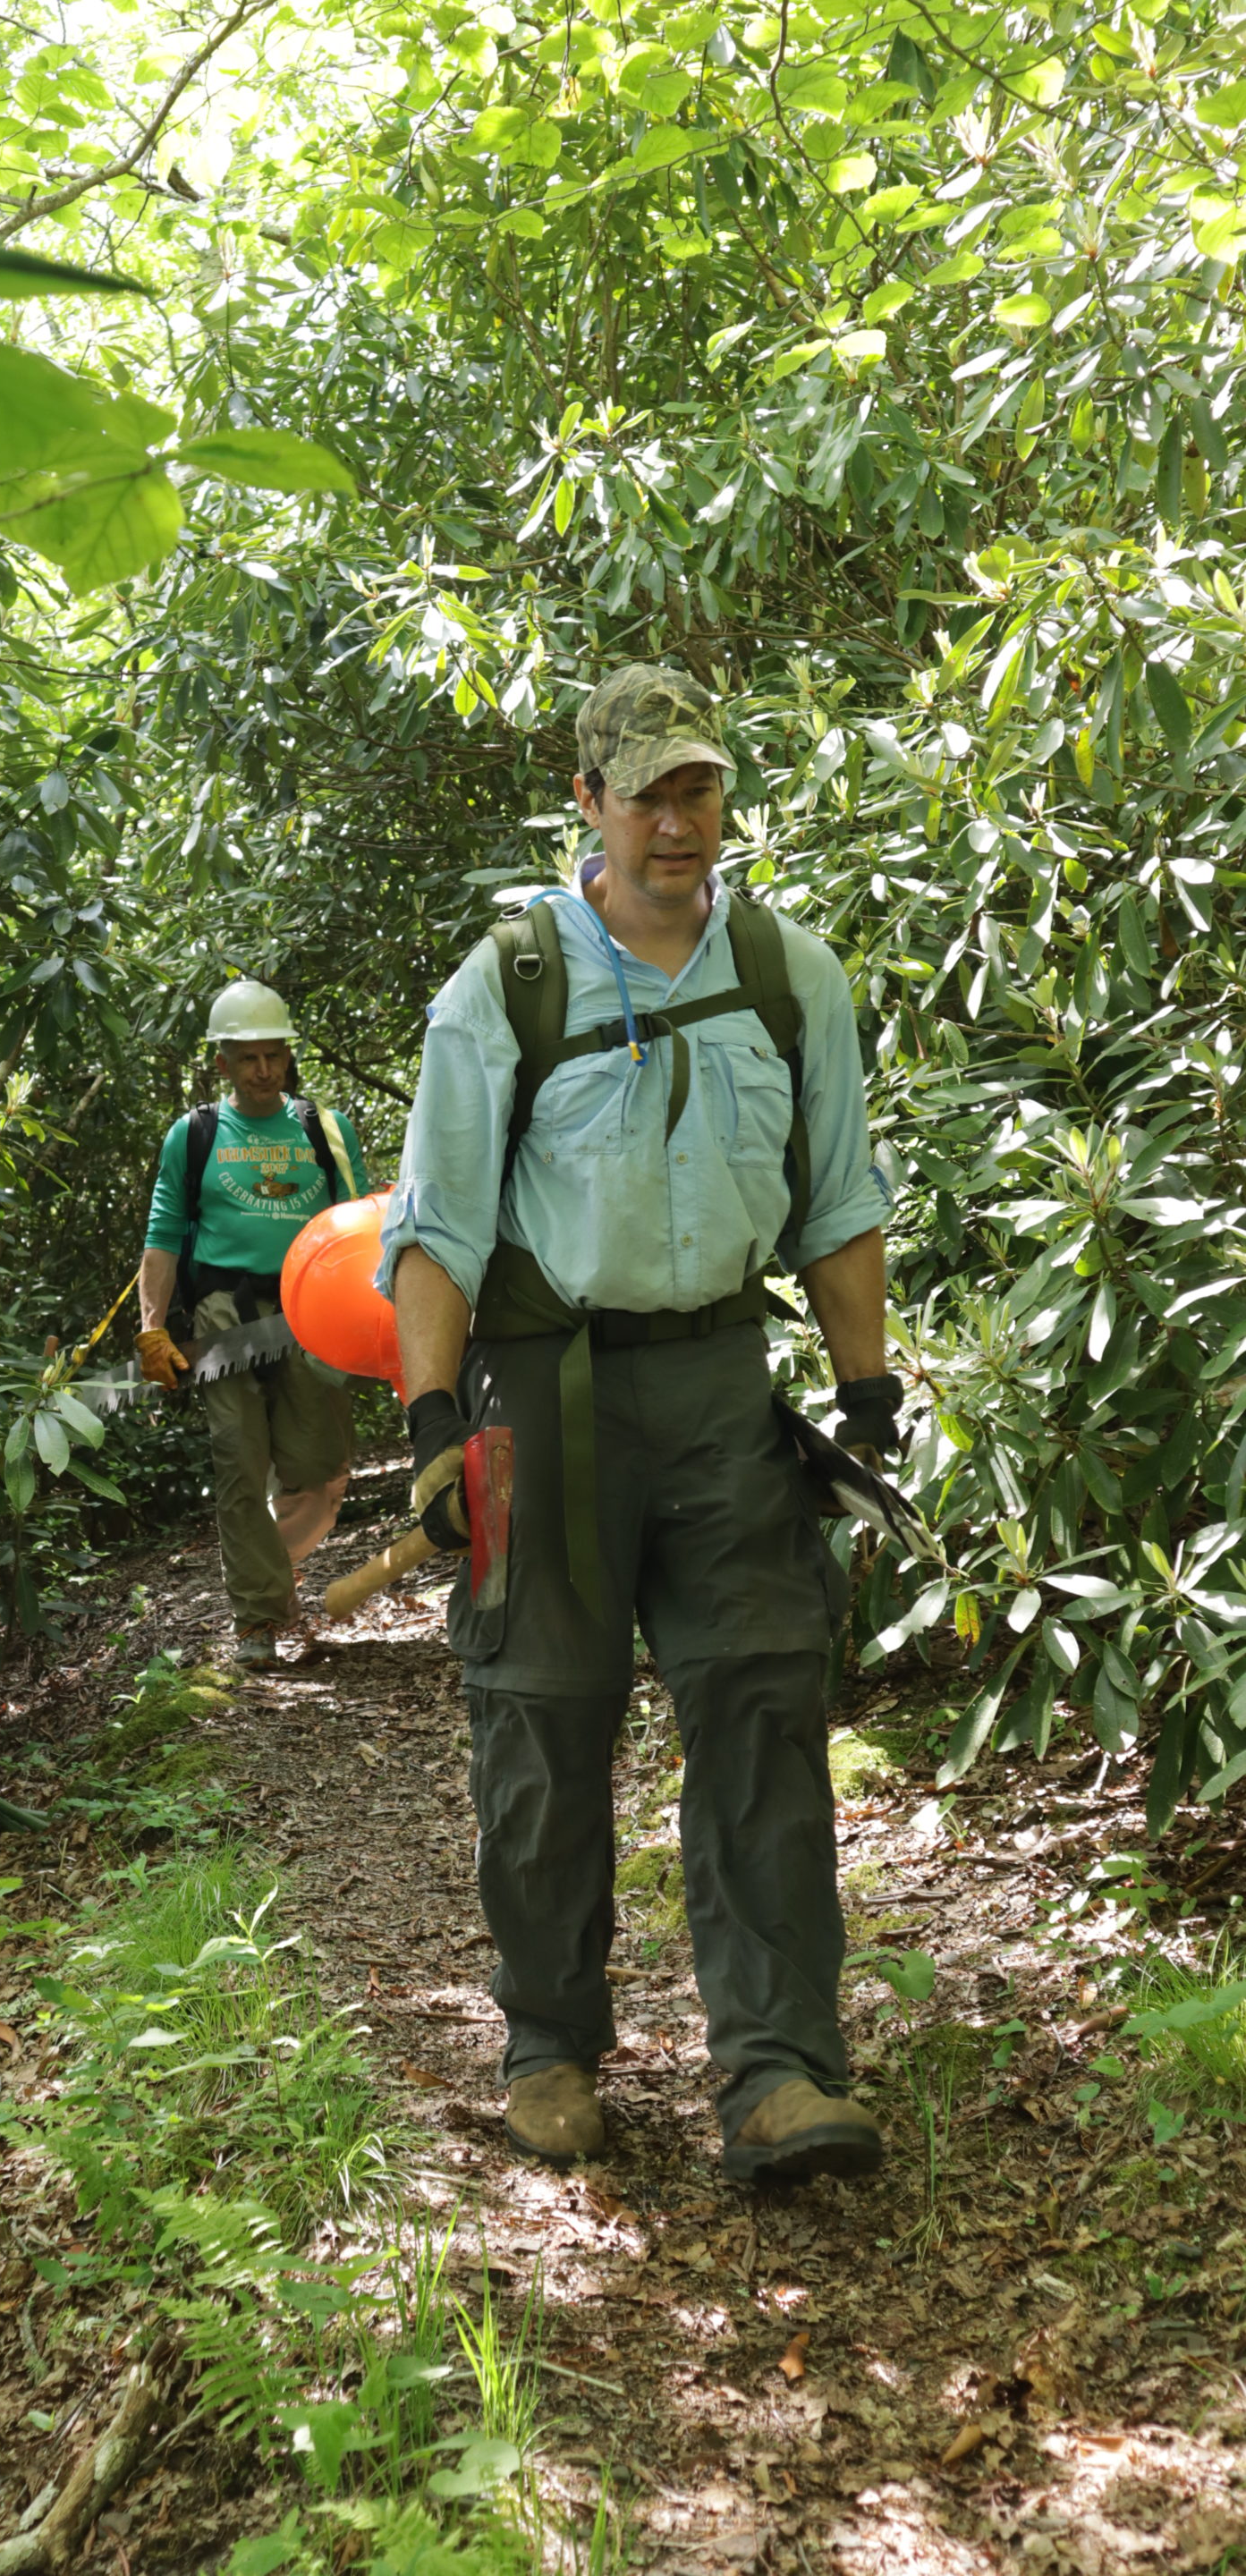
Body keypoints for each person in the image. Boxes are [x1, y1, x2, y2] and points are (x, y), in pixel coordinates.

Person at [377, 663, 902, 2183]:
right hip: (544, 1398)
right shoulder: (506, 984)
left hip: (724, 1384)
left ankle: (781, 2073)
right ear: (588, 808)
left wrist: (866, 1398)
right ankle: (550, 2047)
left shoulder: (790, 972)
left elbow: (843, 1205)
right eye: (649, 795)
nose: (680, 824)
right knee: (540, 1721)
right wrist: (430, 1426)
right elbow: (437, 1229)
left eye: (701, 791)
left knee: (759, 1706)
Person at [138, 980, 369, 1669]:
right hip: (223, 1315)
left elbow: (364, 1227)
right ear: (223, 1064)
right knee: (238, 1460)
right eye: (249, 1058)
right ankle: (259, 1621)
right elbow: (162, 1236)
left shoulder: (323, 1130)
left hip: (314, 1314)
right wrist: (154, 1327)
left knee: (317, 1464)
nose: (265, 1070)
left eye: (275, 1055)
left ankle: (274, 1557)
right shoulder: (197, 1135)